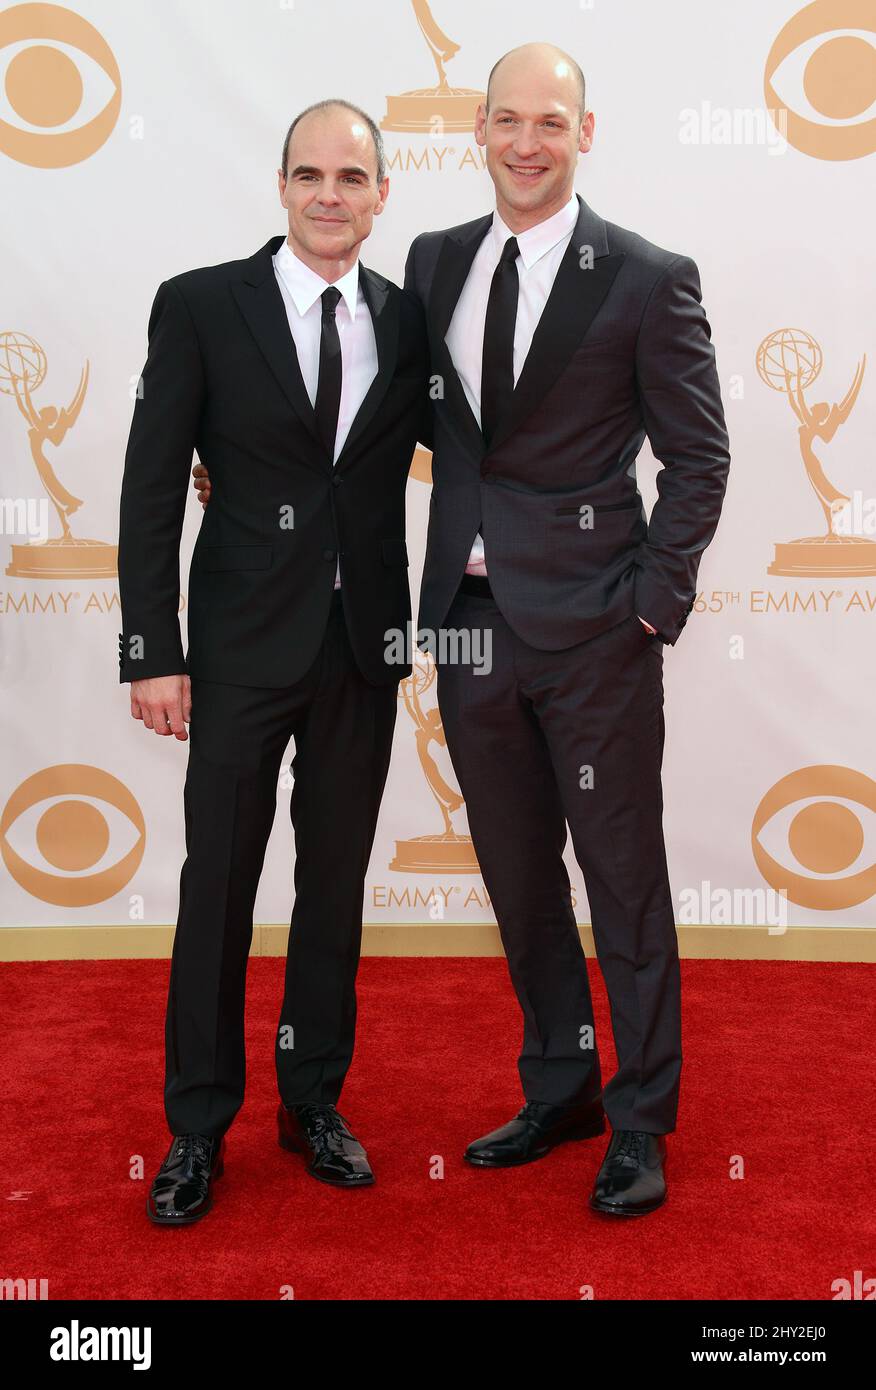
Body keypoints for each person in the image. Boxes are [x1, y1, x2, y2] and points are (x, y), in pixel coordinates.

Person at [402, 42, 730, 1216]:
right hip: (468, 627)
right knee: (518, 876)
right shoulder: (434, 260)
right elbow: (404, 417)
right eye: (507, 120)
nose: (526, 141)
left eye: (551, 121)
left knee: (622, 876)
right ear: (479, 131)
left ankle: (641, 1117)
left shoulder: (646, 276)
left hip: (595, 629)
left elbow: (700, 456)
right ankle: (563, 1084)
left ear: (584, 133)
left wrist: (649, 605)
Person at [117, 99, 429, 1224]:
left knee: (333, 889)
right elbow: (155, 481)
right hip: (240, 651)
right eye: (310, 175)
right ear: (283, 187)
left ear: (383, 194)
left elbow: (488, 446)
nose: (330, 194)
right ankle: (197, 1126)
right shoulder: (202, 305)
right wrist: (152, 649)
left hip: (361, 651)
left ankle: (312, 1101)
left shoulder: (409, 318)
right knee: (219, 890)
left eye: (353, 176)